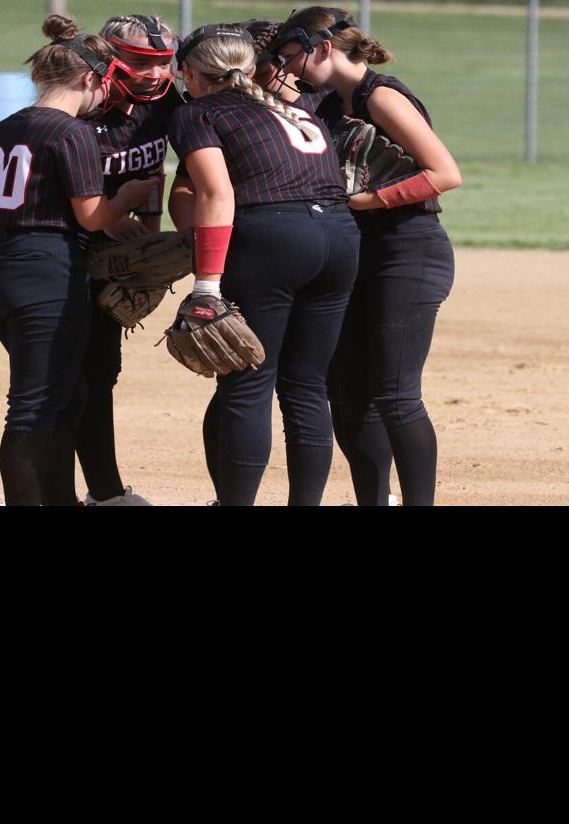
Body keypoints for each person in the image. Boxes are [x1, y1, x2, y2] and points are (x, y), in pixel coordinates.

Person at [0, 14, 157, 506]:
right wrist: (128, 195)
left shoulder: (7, 124)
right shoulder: (72, 133)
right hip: (42, 271)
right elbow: (92, 218)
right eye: (105, 85)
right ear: (90, 79)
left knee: (66, 396)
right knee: (34, 408)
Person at [274, 8, 461, 506]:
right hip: (359, 253)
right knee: (349, 395)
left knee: (396, 395)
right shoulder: (333, 102)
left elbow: (444, 173)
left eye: (292, 56)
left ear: (321, 48)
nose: (288, 68)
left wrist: (367, 201)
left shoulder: (381, 96)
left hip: (408, 249)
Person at [168, 25, 360, 506]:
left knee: (247, 383)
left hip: (271, 239)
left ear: (189, 72)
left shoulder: (198, 112)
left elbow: (216, 193)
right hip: (339, 237)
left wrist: (207, 284)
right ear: (250, 69)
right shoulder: (297, 109)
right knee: (307, 388)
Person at [76, 14, 183, 507]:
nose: (155, 74)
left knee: (100, 374)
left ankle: (104, 491)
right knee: (71, 377)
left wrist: (150, 240)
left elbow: (159, 169)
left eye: (164, 63)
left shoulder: (163, 102)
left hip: (115, 252)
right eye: (142, 61)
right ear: (109, 55)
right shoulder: (81, 106)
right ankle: (88, 492)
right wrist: (111, 218)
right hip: (67, 248)